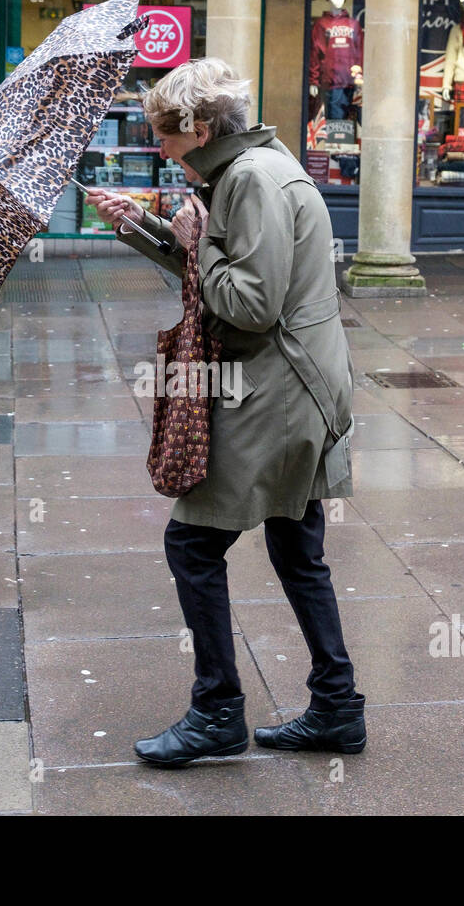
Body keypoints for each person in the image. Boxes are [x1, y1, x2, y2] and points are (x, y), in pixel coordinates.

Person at [85, 57, 365, 768]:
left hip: (281, 385)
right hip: (294, 380)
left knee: (193, 545)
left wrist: (193, 238)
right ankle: (337, 708)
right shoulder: (246, 168)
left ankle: (217, 713)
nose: (161, 148)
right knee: (296, 545)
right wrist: (147, 227)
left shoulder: (249, 181)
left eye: (166, 136)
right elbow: (221, 274)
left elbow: (247, 303)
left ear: (201, 129)